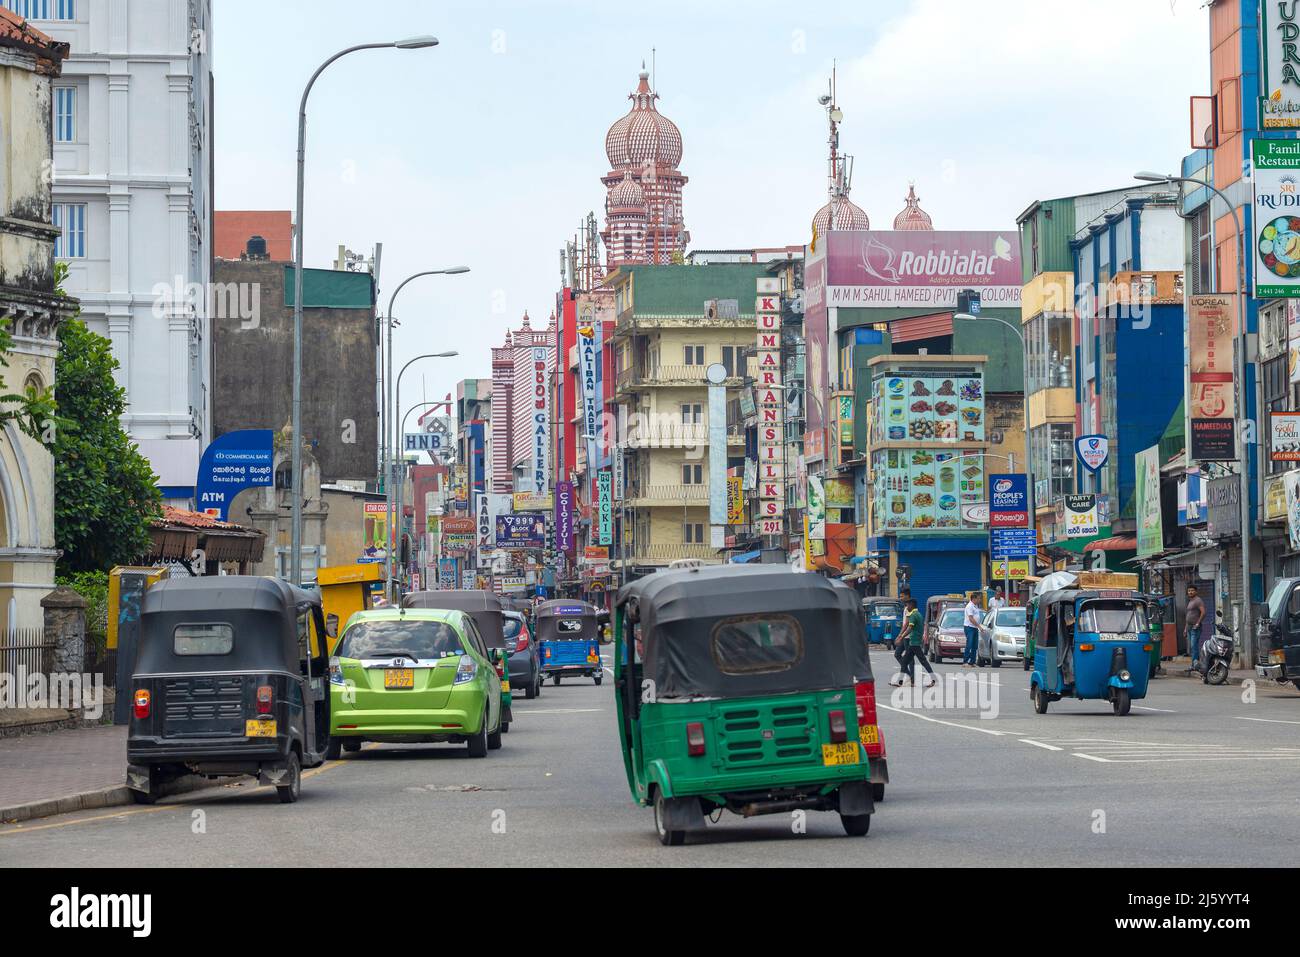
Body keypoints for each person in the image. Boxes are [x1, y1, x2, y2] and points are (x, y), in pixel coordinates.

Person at [893, 598, 936, 687]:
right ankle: (901, 681)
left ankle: (933, 678)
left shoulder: (913, 615)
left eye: (908, 605)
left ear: (912, 605)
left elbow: (910, 628)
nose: (907, 607)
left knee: (922, 661)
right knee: (906, 662)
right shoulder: (918, 614)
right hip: (914, 642)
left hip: (914, 643)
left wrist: (901, 637)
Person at [1185, 585, 1206, 673]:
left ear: (1196, 592)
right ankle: (1195, 664)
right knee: (1192, 647)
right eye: (1189, 591)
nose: (1190, 592)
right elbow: (1189, 615)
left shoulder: (1198, 600)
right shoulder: (1190, 601)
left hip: (1195, 627)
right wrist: (1185, 628)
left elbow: (1203, 612)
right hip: (1189, 627)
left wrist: (1198, 623)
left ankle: (1195, 665)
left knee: (1194, 646)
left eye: (1192, 590)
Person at [963, 594, 982, 668]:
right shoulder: (969, 606)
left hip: (974, 627)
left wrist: (977, 626)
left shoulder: (975, 606)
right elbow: (970, 618)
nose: (979, 600)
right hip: (969, 627)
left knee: (975, 645)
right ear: (974, 599)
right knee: (969, 644)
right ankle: (965, 662)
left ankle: (972, 662)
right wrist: (979, 626)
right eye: (978, 598)